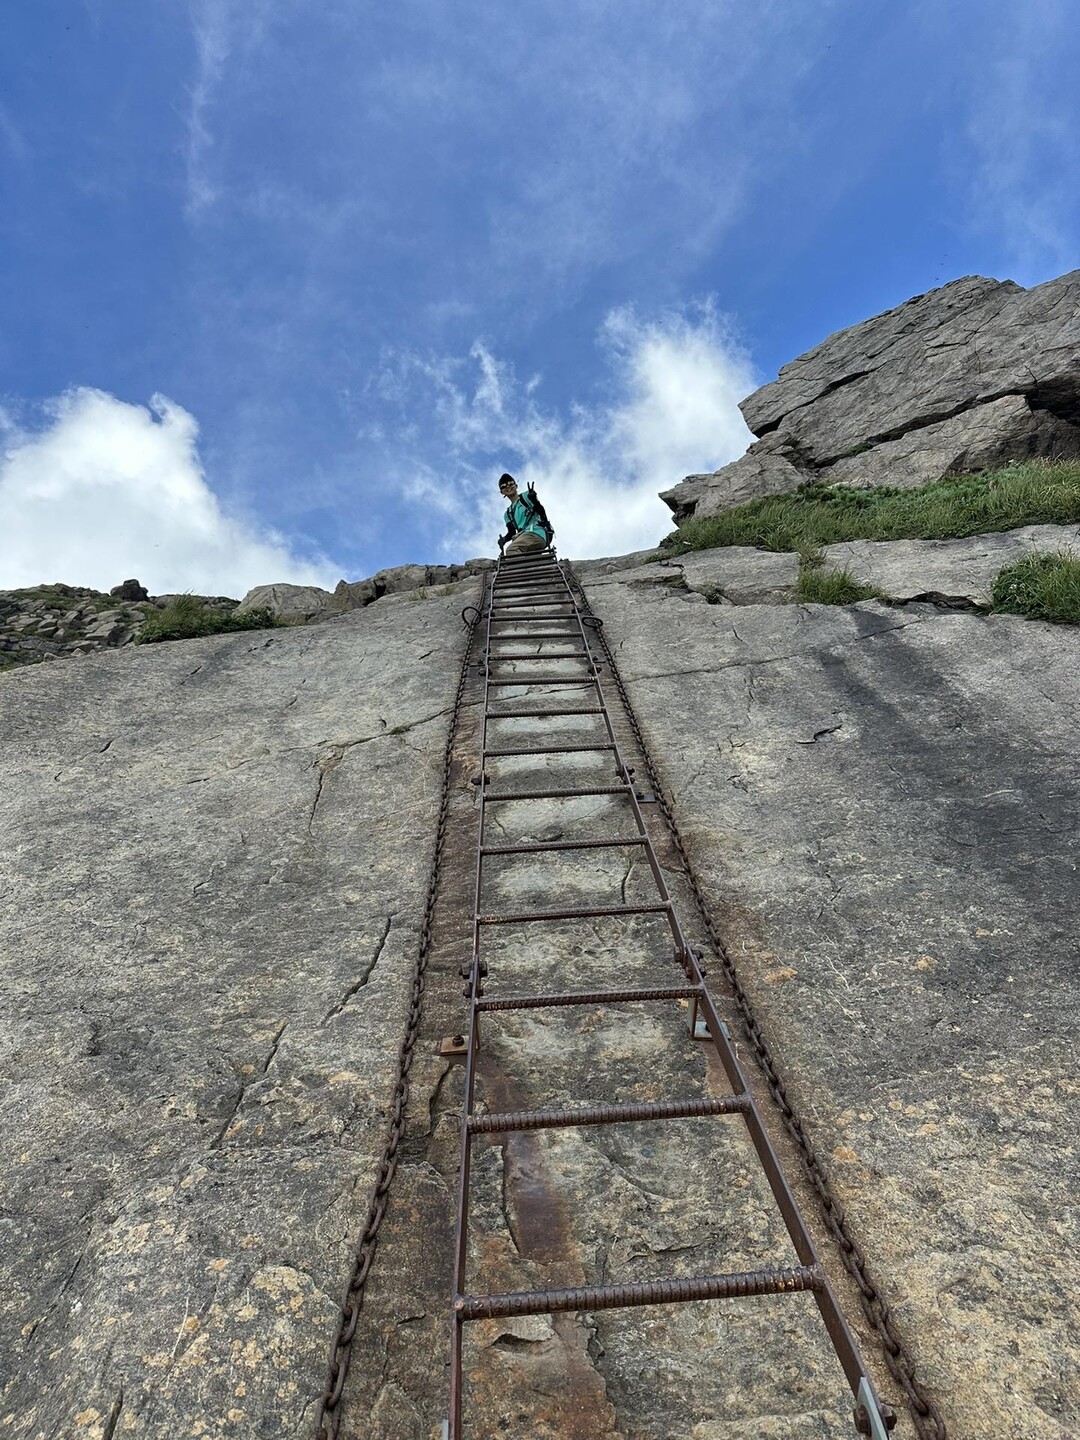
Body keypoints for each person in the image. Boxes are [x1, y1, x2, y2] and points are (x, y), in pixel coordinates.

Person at [497, 473, 554, 557]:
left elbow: (541, 512)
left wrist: (534, 500)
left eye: (510, 483)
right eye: (504, 486)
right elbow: (512, 532)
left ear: (516, 485)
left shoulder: (526, 496)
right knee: (523, 555)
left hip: (536, 532)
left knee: (512, 550)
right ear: (502, 492)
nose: (508, 487)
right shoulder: (508, 514)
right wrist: (504, 539)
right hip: (524, 538)